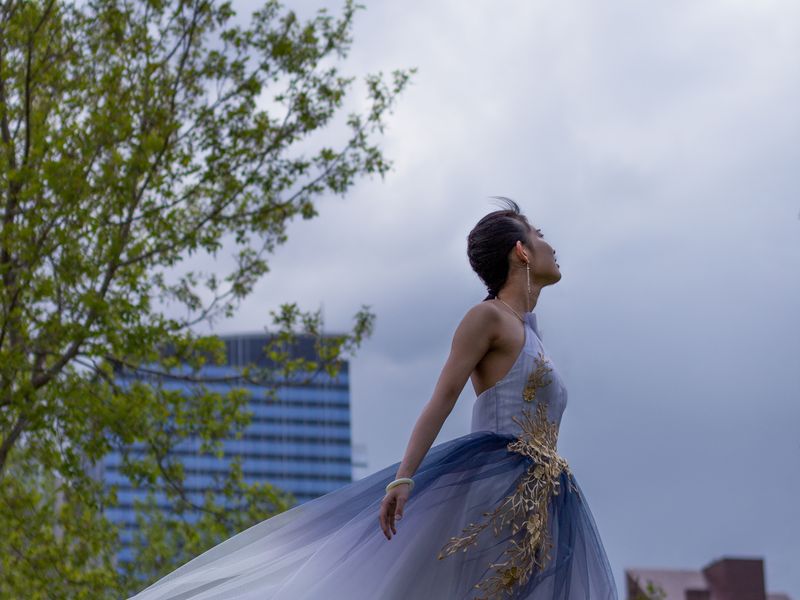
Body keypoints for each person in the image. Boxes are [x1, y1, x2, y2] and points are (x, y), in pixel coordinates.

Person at [128, 197, 618, 599]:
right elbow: (443, 397)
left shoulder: (533, 334)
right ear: (522, 252)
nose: (551, 245)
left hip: (546, 496)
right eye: (539, 235)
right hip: (495, 486)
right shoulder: (487, 318)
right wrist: (404, 478)